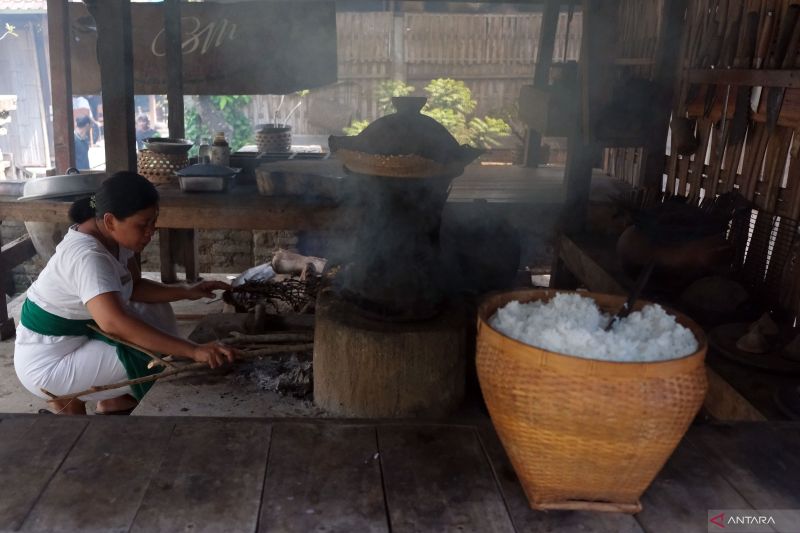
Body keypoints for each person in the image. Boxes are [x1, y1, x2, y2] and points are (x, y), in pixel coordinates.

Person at [14, 172, 238, 415]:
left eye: (153, 222)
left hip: (75, 340)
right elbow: (114, 324)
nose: (150, 232)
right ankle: (67, 398)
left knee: (157, 314)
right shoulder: (88, 257)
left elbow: (135, 287)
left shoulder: (112, 236)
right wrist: (193, 350)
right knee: (152, 352)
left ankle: (110, 400)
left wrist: (186, 291)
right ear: (110, 221)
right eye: (143, 225)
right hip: (47, 364)